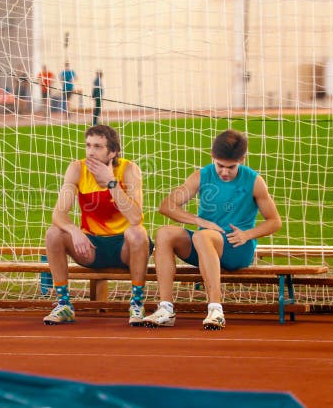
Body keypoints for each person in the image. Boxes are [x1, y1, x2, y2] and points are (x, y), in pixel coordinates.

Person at [143, 129, 282, 330]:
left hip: (236, 247)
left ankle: (215, 310)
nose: (224, 172)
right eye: (220, 166)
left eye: (231, 167)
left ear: (242, 159)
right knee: (164, 233)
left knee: (202, 236)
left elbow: (274, 221)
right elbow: (167, 206)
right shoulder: (201, 175)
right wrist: (200, 220)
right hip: (203, 245)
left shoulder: (254, 181)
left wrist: (247, 234)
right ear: (212, 157)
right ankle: (166, 309)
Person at [43, 124, 151, 326]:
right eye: (88, 145)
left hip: (124, 248)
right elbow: (58, 213)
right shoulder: (77, 168)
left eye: (98, 147)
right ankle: (64, 304)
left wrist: (111, 183)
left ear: (113, 152)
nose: (91, 152)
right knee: (53, 233)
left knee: (138, 232)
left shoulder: (129, 169)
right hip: (91, 246)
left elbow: (136, 218)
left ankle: (136, 303)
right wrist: (74, 230)